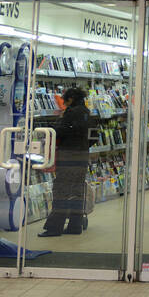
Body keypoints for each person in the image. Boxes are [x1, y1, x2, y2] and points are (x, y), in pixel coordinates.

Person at [40, 87, 94, 237]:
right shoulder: (88, 113)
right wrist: (83, 146)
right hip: (82, 155)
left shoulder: (71, 113)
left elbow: (62, 131)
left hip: (69, 155)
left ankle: (55, 227)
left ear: (70, 99)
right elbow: (94, 135)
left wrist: (50, 129)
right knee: (77, 190)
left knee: (62, 189)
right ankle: (75, 226)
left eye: (65, 99)